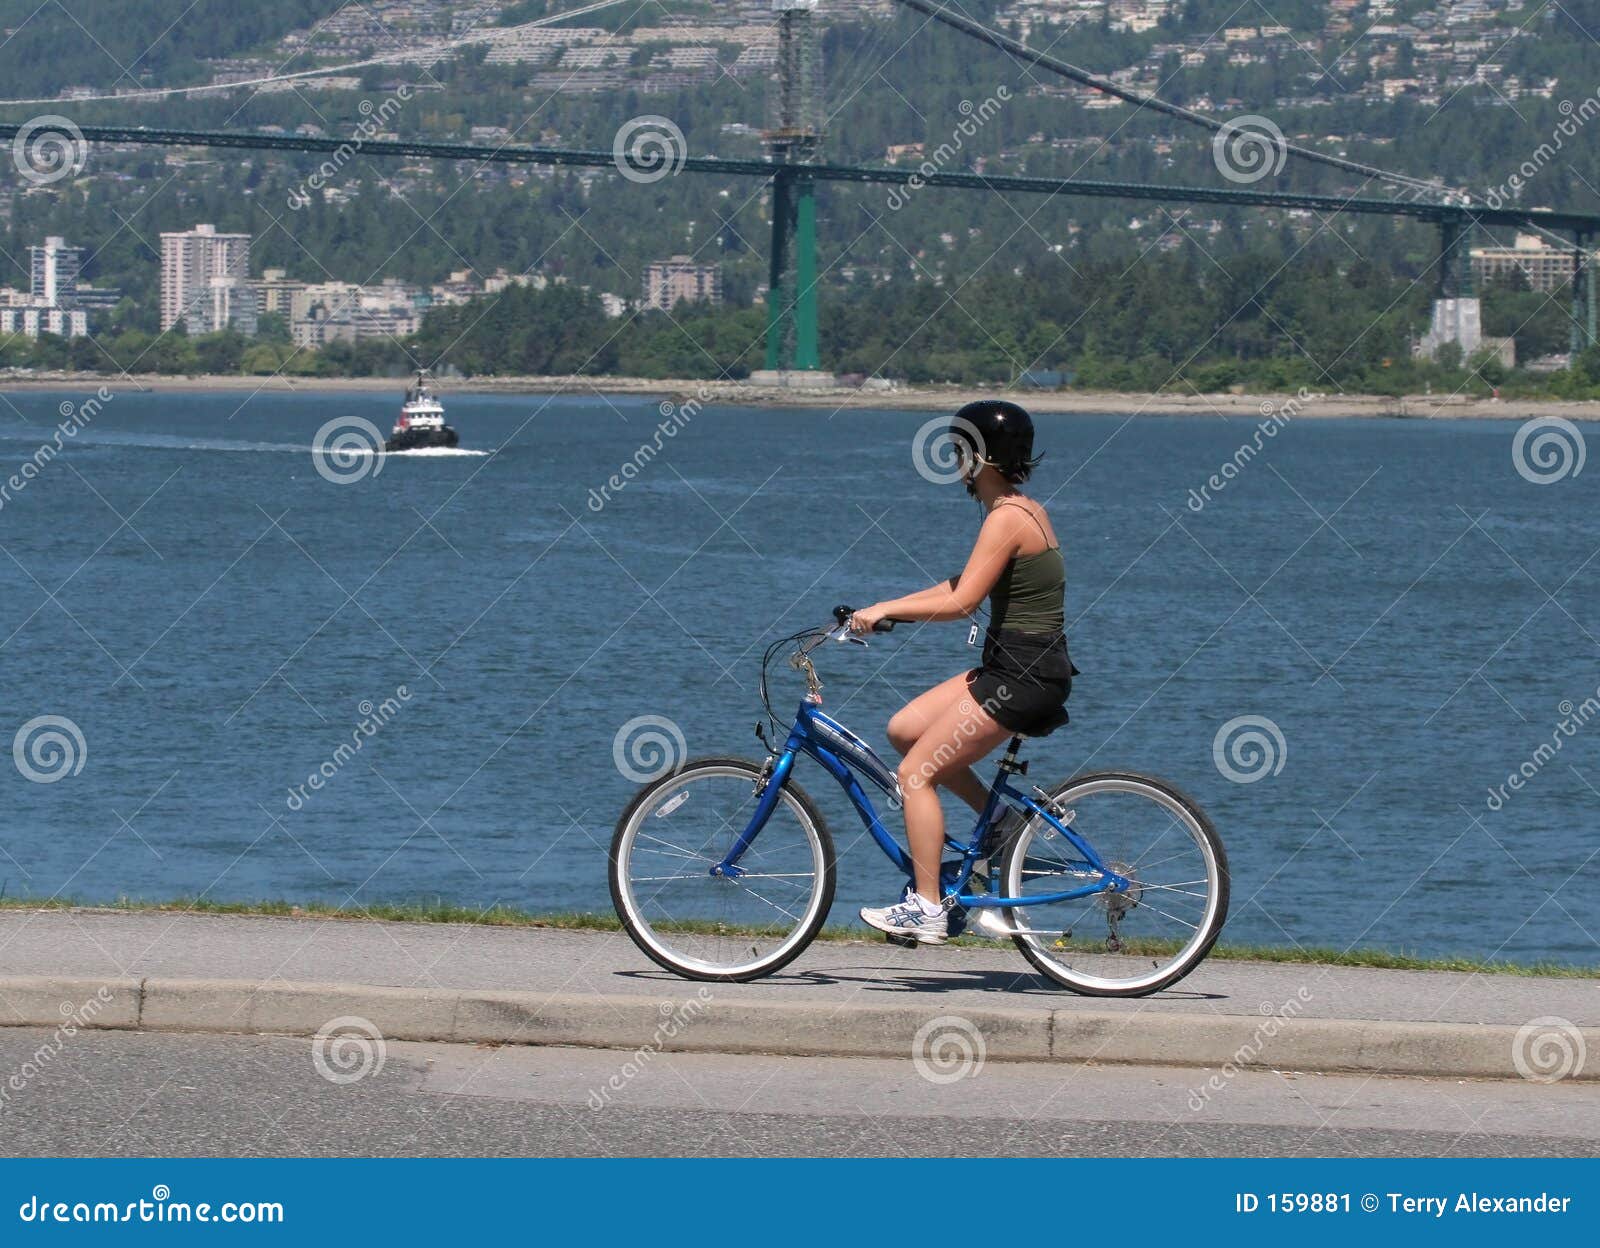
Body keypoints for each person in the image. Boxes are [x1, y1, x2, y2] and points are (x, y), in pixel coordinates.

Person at [850, 400, 1075, 944]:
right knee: (905, 730)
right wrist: (884, 606)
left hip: (1021, 678)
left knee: (914, 775)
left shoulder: (1006, 519)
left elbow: (962, 603)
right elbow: (959, 585)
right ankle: (1000, 825)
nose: (955, 463)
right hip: (1014, 668)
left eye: (959, 452)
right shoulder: (1023, 510)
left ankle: (928, 908)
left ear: (982, 457)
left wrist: (889, 612)